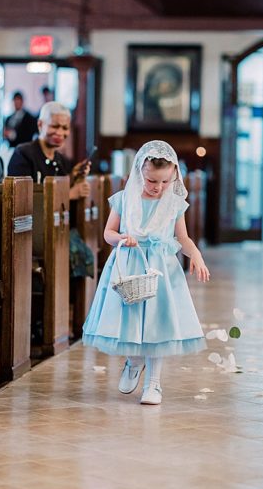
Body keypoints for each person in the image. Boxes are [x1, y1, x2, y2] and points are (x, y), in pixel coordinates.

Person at [81, 141, 209, 405]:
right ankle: (134, 360)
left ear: (174, 176)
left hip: (161, 270)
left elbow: (182, 237)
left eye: (165, 181)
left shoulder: (174, 203)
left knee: (158, 323)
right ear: (140, 171)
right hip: (130, 264)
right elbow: (108, 233)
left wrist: (195, 254)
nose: (158, 187)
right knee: (130, 318)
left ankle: (154, 384)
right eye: (152, 181)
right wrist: (121, 238)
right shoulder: (124, 199)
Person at [7, 102, 90, 200]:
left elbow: (58, 188)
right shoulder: (23, 154)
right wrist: (69, 195)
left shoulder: (63, 161)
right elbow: (21, 200)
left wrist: (73, 176)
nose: (60, 132)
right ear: (40, 125)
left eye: (65, 128)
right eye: (54, 126)